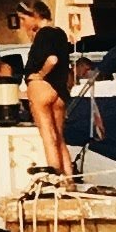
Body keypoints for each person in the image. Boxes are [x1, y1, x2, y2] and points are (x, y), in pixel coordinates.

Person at [24, 40, 76, 185]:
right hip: (58, 91)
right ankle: (69, 181)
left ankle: (56, 180)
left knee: (49, 137)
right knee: (59, 138)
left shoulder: (44, 35)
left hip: (41, 90)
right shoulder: (60, 41)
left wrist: (40, 74)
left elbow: (52, 60)